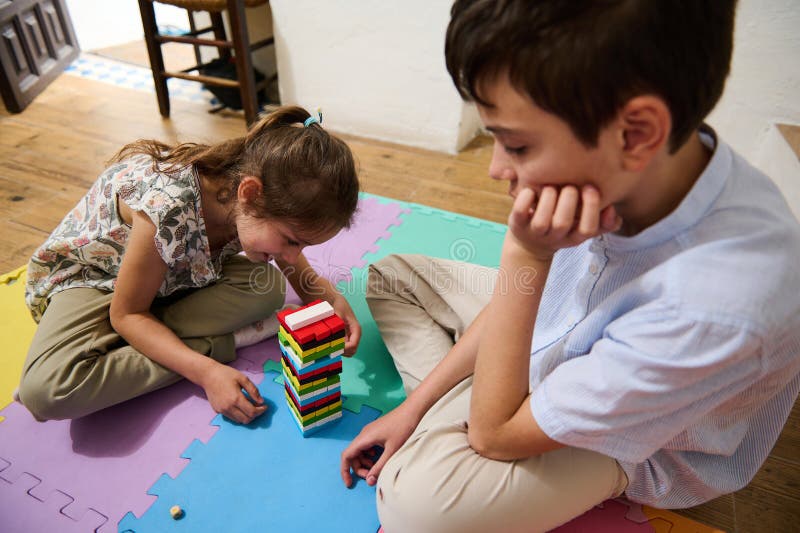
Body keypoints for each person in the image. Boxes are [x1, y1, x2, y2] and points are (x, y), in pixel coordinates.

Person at [340, 1, 800, 532]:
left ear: (636, 133)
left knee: (416, 512)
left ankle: (484, 400)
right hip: (558, 338)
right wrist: (415, 407)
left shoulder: (720, 304)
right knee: (392, 275)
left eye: (514, 143)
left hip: (636, 443)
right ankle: (475, 400)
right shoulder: (634, 171)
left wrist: (526, 253)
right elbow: (537, 305)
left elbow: (493, 437)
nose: (494, 169)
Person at [18, 105, 362, 425]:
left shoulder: (251, 195)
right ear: (250, 194)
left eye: (302, 245)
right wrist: (206, 370)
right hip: (96, 280)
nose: (292, 256)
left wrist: (328, 299)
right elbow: (127, 314)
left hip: (173, 280)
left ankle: (145, 342)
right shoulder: (168, 206)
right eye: (291, 240)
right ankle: (211, 342)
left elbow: (289, 258)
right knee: (46, 391)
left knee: (268, 287)